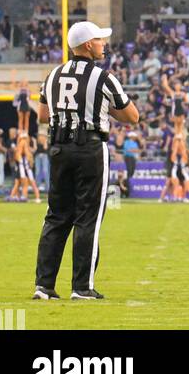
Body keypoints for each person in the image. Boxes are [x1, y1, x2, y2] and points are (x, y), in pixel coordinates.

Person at [33, 20, 139, 300]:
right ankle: (81, 287)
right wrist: (103, 112)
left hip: (58, 148)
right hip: (89, 149)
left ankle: (43, 286)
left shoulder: (53, 75)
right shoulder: (103, 77)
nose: (104, 45)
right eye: (100, 40)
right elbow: (132, 117)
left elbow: (43, 116)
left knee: (56, 216)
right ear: (88, 44)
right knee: (87, 218)